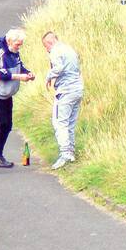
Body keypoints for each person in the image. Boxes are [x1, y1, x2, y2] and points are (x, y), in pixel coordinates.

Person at [0, 28, 34, 167]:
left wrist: (28, 73)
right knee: (2, 124)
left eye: (20, 44)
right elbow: (0, 73)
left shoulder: (14, 52)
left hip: (8, 94)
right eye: (17, 44)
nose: (19, 47)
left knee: (7, 125)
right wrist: (20, 77)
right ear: (9, 41)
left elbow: (20, 66)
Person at [41, 30, 84, 170]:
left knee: (60, 122)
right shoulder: (69, 49)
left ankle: (65, 153)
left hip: (65, 91)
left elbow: (58, 67)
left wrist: (48, 76)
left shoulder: (55, 51)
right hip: (77, 89)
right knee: (70, 122)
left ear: (49, 42)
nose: (46, 50)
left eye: (45, 47)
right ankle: (70, 152)